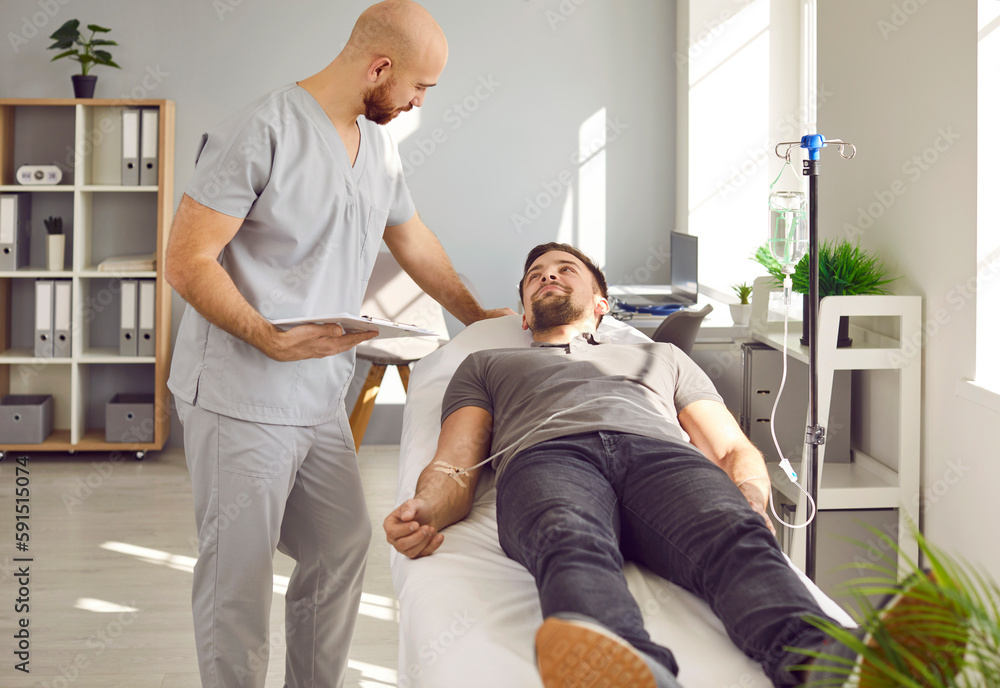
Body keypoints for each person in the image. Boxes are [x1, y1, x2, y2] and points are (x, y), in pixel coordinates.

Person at [165, 2, 511, 687]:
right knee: (237, 578)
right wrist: (265, 335)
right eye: (418, 88)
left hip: (317, 393)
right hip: (241, 392)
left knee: (341, 544)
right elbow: (187, 261)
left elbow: (411, 236)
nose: (416, 104)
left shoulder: (375, 144)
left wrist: (475, 313)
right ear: (379, 67)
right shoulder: (261, 129)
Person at [384, 243, 864, 688]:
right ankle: (623, 666)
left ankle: (822, 661)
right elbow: (455, 464)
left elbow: (730, 448)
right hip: (548, 456)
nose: (547, 275)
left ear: (600, 304)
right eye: (535, 276)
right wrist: (426, 507)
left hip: (660, 456)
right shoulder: (486, 363)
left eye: (565, 269)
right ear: (525, 317)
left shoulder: (661, 356)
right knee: (566, 536)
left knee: (734, 534)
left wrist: (753, 500)